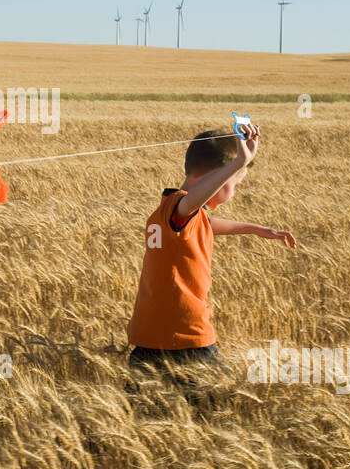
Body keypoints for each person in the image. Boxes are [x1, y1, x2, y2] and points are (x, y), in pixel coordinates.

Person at [127, 120, 296, 376]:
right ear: (212, 179)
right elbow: (191, 207)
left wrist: (256, 229)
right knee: (221, 404)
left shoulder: (166, 213)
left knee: (143, 410)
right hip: (186, 334)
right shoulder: (180, 207)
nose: (234, 190)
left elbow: (206, 224)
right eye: (234, 183)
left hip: (148, 335)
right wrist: (237, 163)